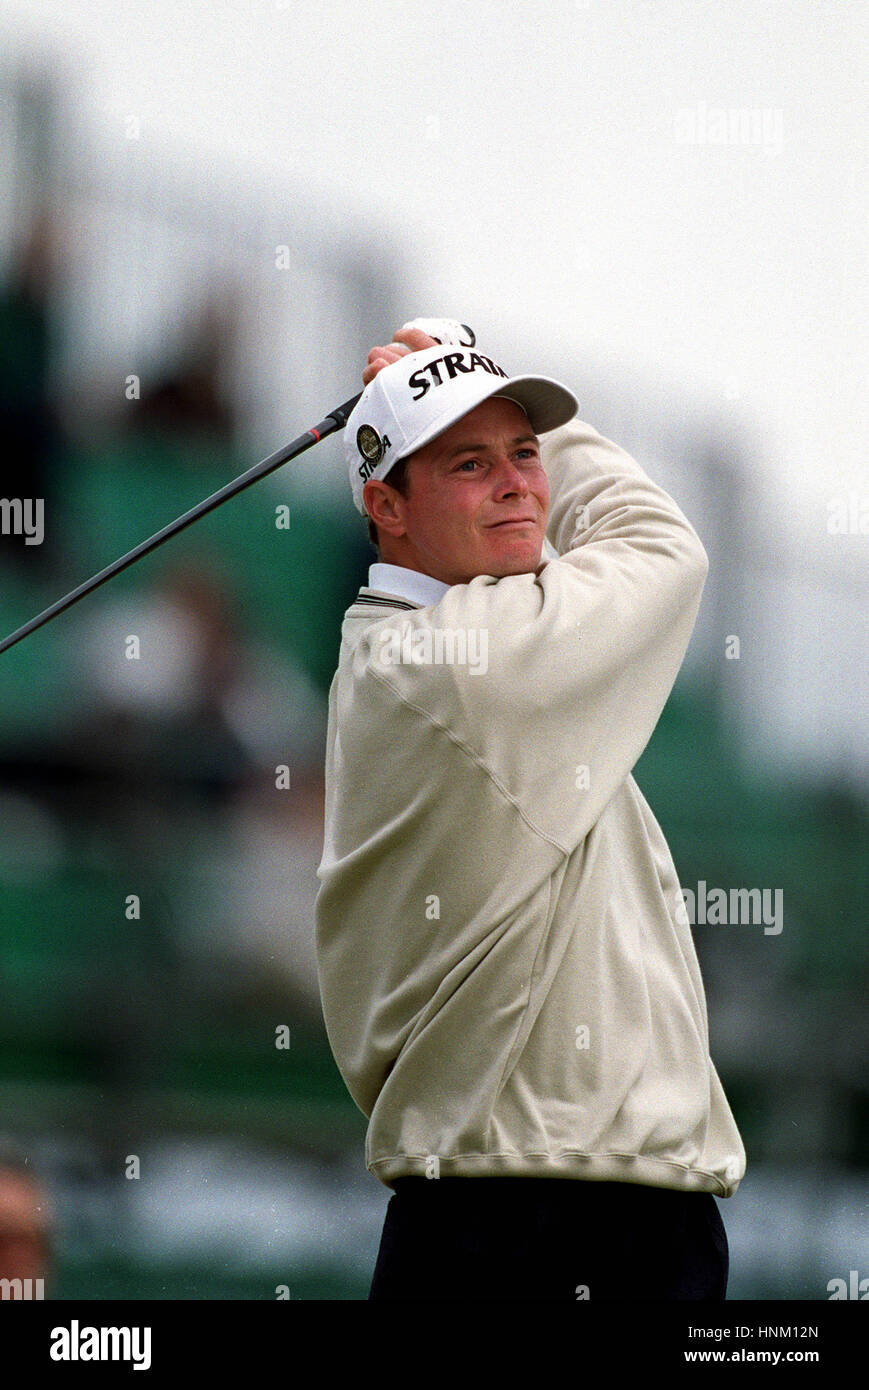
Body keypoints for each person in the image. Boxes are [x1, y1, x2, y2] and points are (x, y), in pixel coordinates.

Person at [314, 320, 746, 1301]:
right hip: (535, 1228)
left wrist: (464, 385)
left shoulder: (435, 645)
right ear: (385, 504)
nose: (520, 481)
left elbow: (543, 545)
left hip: (558, 1208)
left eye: (526, 452)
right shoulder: (463, 664)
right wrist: (481, 370)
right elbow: (657, 544)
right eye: (471, 463)